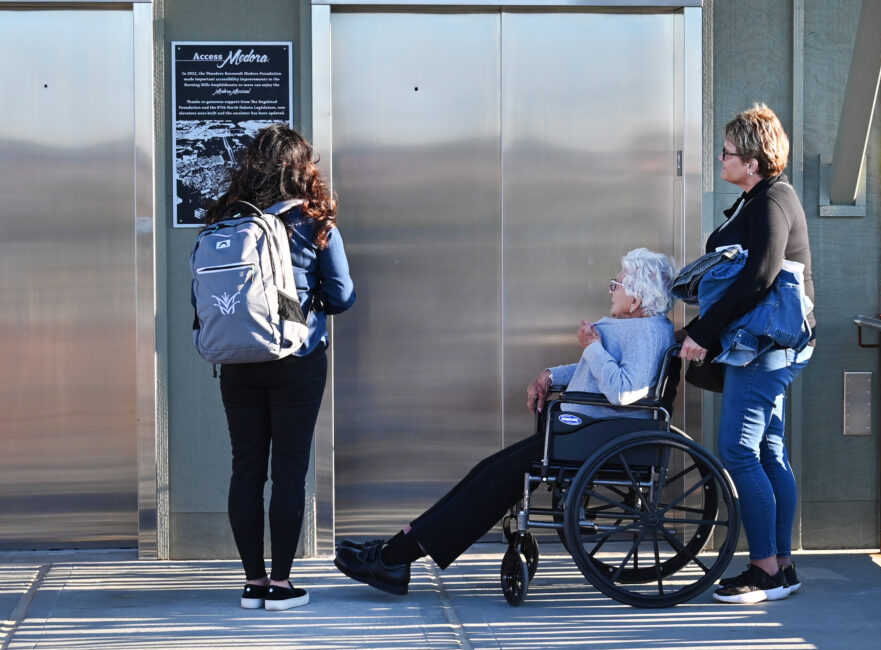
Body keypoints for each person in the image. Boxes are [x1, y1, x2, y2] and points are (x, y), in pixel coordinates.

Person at [333, 248, 677, 595]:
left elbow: (623, 391)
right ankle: (397, 549)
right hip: (585, 433)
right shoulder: (642, 328)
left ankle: (395, 558)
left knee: (492, 482)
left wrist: (591, 346)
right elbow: (599, 374)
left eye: (616, 283)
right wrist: (551, 375)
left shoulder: (645, 334)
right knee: (487, 472)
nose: (611, 289)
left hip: (596, 439)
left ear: (636, 297)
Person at [202, 125, 356, 611]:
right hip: (298, 359)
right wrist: (298, 309)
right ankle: (283, 585)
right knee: (289, 470)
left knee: (246, 467)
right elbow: (341, 297)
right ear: (301, 166)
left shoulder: (225, 220)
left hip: (238, 361)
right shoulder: (314, 222)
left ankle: (252, 582)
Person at [679, 103, 816, 604]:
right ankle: (780, 563)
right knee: (768, 450)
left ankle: (764, 571)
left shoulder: (772, 201)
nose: (721, 158)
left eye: (728, 152)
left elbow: (760, 276)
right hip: (767, 346)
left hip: (763, 350)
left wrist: (704, 333)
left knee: (739, 450)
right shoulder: (759, 198)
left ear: (753, 162)